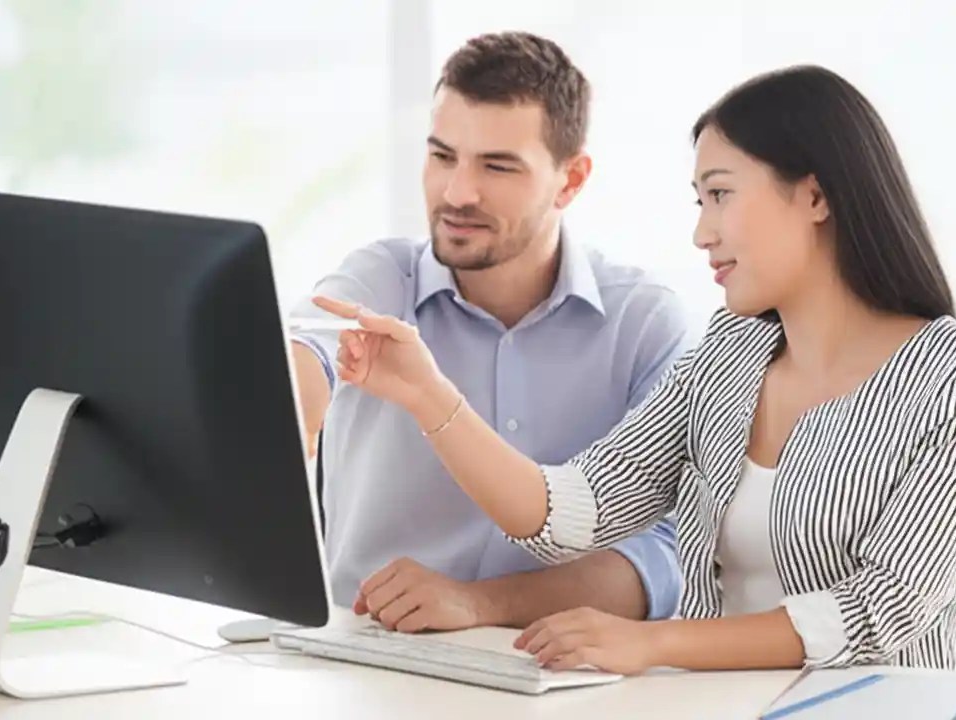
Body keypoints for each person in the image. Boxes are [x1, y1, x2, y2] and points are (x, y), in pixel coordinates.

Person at [313, 65, 956, 673]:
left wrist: (656, 643)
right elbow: (570, 512)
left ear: (815, 196)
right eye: (698, 201)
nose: (700, 232)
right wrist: (429, 394)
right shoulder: (728, 353)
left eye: (720, 194)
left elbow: (880, 610)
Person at [289, 32, 688, 632]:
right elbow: (306, 354)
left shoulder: (643, 323)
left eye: (497, 167)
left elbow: (664, 559)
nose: (457, 193)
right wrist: (284, 409)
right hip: (372, 661)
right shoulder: (381, 279)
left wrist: (481, 604)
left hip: (562, 676)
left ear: (571, 180)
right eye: (442, 156)